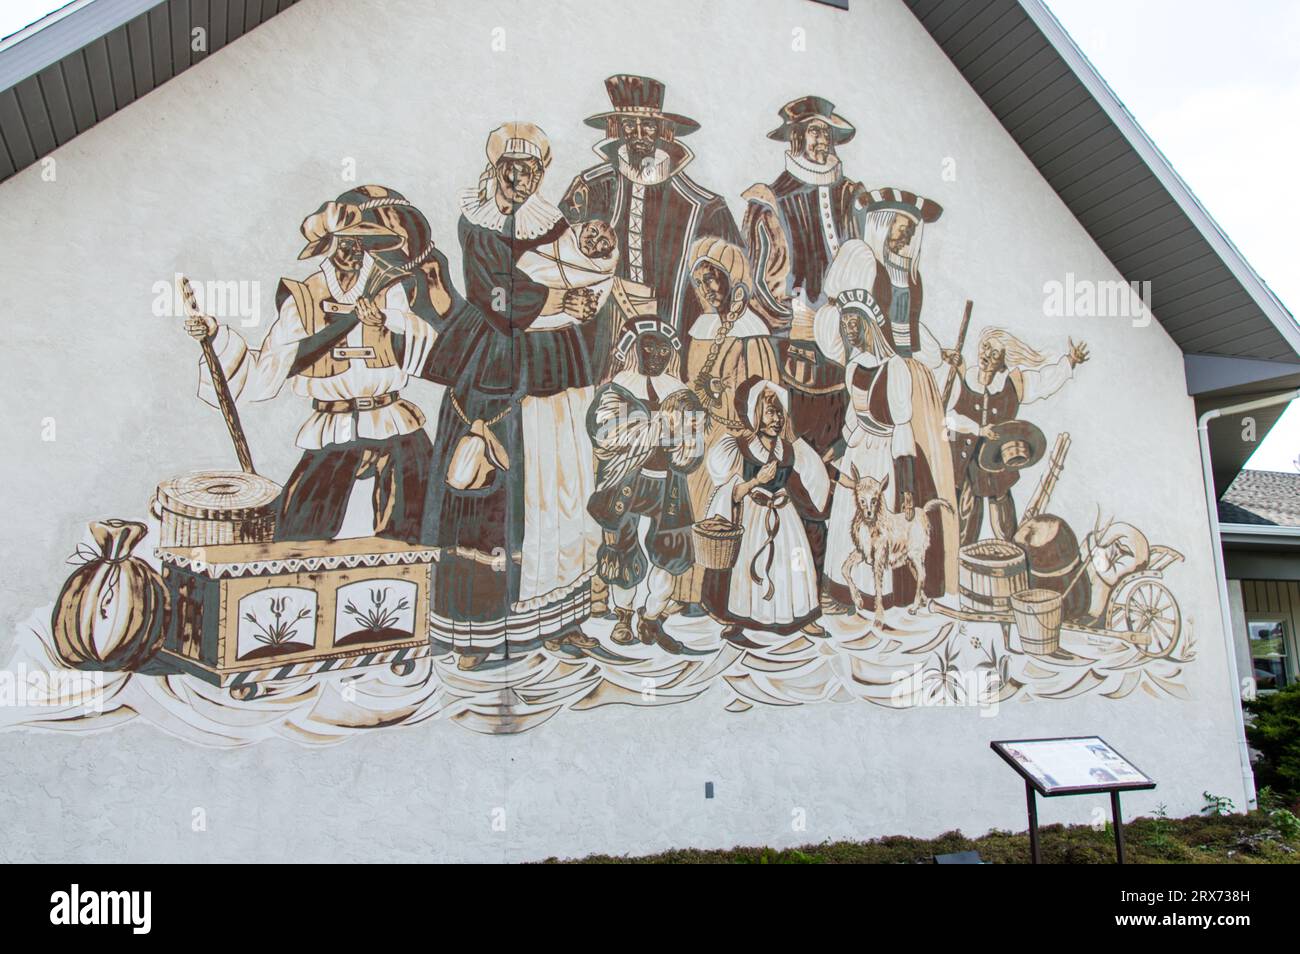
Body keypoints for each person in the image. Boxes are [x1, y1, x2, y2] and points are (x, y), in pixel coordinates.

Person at [424, 122, 602, 669]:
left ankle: (561, 618)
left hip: (554, 362)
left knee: (561, 483)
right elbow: (491, 291)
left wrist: (585, 298)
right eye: (511, 168)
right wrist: (560, 301)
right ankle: (478, 632)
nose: (520, 179)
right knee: (489, 492)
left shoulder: (554, 224)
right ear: (495, 169)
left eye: (531, 171)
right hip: (494, 362)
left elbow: (585, 269)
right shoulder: (475, 223)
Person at [184, 192, 436, 542]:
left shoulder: (388, 286)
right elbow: (270, 366)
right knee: (300, 530)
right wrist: (215, 337)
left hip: (392, 422)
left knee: (416, 528)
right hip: (333, 426)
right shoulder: (303, 298)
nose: (352, 252)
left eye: (359, 243)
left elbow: (421, 336)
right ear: (328, 247)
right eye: (343, 243)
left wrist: (386, 322)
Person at [561, 74, 740, 361]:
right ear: (618, 130)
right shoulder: (590, 190)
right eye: (630, 125)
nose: (639, 134)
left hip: (672, 327)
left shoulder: (704, 208)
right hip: (605, 328)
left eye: (648, 126)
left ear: (662, 132)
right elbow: (559, 257)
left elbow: (733, 277)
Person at [853, 190, 962, 604]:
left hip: (914, 376)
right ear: (883, 224)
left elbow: (912, 328)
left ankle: (928, 578)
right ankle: (881, 583)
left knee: (924, 464)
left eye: (911, 230)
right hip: (882, 374)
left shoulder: (910, 275)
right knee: (889, 464)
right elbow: (862, 322)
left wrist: (940, 352)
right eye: (902, 226)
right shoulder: (871, 272)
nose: (906, 235)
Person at [743, 96, 866, 458]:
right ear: (796, 138)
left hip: (847, 337)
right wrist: (790, 318)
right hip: (796, 339)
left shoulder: (849, 195)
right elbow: (759, 280)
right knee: (798, 431)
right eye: (814, 131)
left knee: (845, 428)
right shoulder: (770, 200)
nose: (822, 141)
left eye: (827, 133)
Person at [673, 238, 781, 613]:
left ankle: (721, 597)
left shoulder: (752, 332)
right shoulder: (700, 328)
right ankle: (686, 594)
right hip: (701, 433)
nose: (706, 289)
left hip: (736, 438)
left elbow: (765, 392)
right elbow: (688, 380)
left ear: (732, 277)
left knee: (727, 514)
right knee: (693, 510)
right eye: (699, 282)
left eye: (712, 278)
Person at [587, 317, 705, 653]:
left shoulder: (680, 392)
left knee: (670, 550)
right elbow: (606, 435)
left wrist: (677, 440)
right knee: (621, 546)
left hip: (668, 485)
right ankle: (623, 615)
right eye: (648, 347)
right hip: (627, 482)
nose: (655, 354)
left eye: (662, 348)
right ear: (634, 349)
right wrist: (659, 428)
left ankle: (651, 617)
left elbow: (690, 450)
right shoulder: (617, 389)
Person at [701, 377, 831, 645]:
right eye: (770, 412)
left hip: (785, 519)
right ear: (755, 414)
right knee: (747, 568)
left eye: (780, 413)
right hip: (753, 517)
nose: (777, 420)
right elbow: (731, 492)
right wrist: (756, 482)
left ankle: (800, 616)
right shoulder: (739, 447)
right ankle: (742, 619)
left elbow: (814, 478)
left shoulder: (790, 450)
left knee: (793, 566)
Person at [946, 327, 1088, 543]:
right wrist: (979, 430)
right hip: (966, 461)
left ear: (1003, 361)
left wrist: (1070, 361)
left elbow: (1043, 382)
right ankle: (961, 562)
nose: (986, 356)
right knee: (965, 520)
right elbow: (948, 416)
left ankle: (1011, 558)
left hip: (996, 461)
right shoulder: (963, 375)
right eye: (985, 348)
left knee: (1005, 524)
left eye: (995, 354)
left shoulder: (1013, 384)